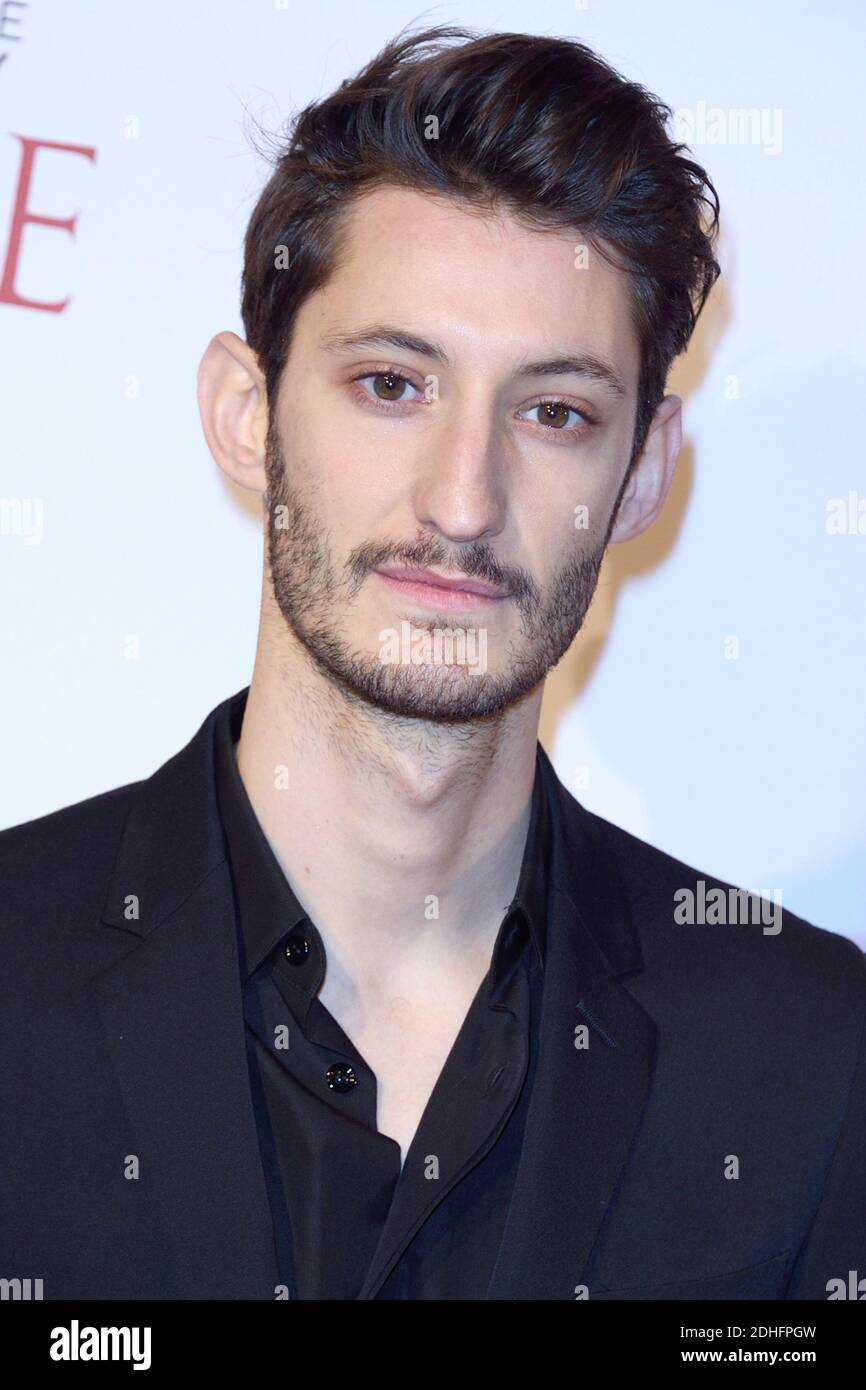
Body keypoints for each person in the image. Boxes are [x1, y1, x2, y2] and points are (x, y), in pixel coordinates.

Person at [1, 24, 863, 1302]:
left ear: (639, 474)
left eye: (554, 411)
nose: (462, 501)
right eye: (392, 383)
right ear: (248, 415)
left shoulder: (813, 1060)